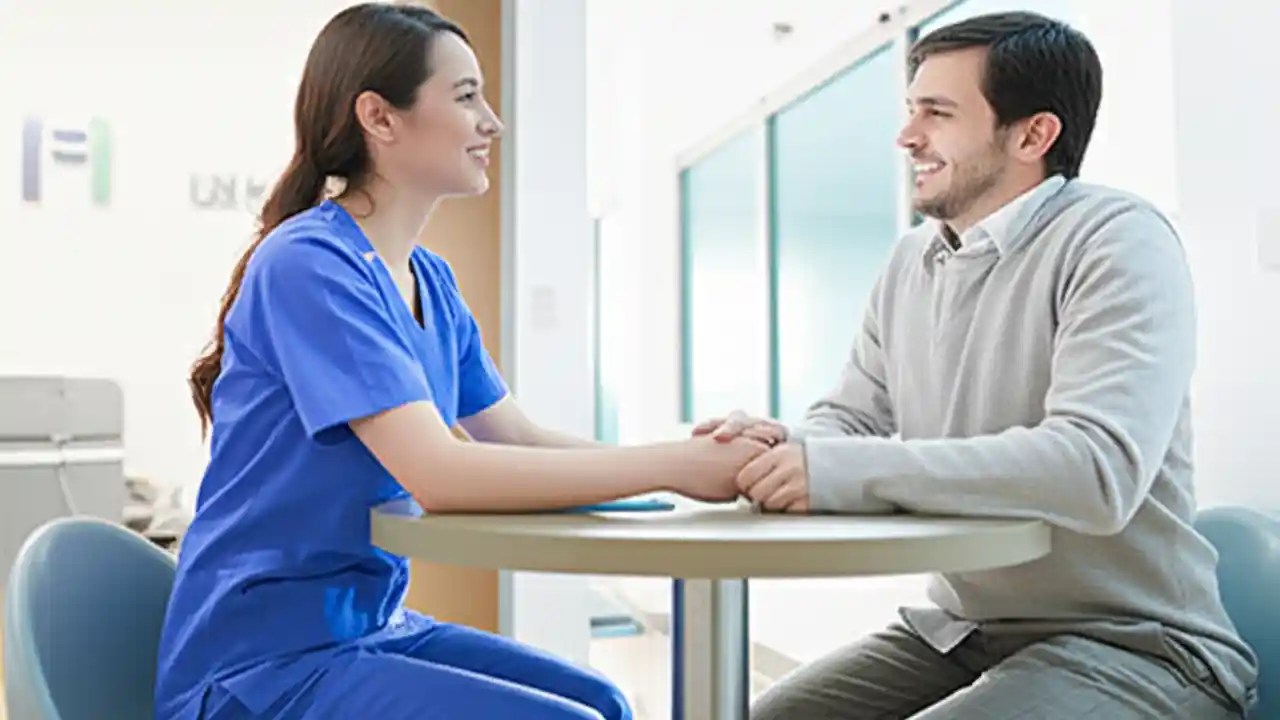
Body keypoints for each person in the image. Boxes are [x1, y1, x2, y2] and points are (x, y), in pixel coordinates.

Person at [153, 5, 764, 719]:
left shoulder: (430, 281)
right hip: (261, 666)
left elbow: (519, 440)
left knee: (604, 701)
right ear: (380, 118)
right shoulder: (308, 264)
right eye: (467, 96)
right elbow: (439, 473)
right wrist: (670, 467)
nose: (492, 123)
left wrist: (693, 464)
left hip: (369, 629)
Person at [697, 11, 1258, 720]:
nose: (906, 136)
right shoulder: (912, 259)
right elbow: (853, 418)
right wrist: (784, 447)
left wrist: (837, 469)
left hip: (1137, 646)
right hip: (963, 631)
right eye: (910, 110)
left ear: (1033, 135)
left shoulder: (1118, 241)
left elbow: (1096, 470)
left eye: (936, 113)